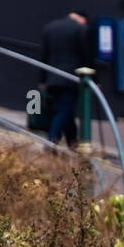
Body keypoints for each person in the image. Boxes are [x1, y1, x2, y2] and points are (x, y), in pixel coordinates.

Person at [38, 11, 92, 147]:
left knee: (65, 110)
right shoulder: (80, 29)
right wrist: (94, 79)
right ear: (82, 18)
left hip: (53, 77)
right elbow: (86, 56)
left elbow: (44, 55)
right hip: (70, 78)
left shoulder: (50, 27)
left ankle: (72, 143)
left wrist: (43, 79)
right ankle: (51, 141)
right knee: (63, 110)